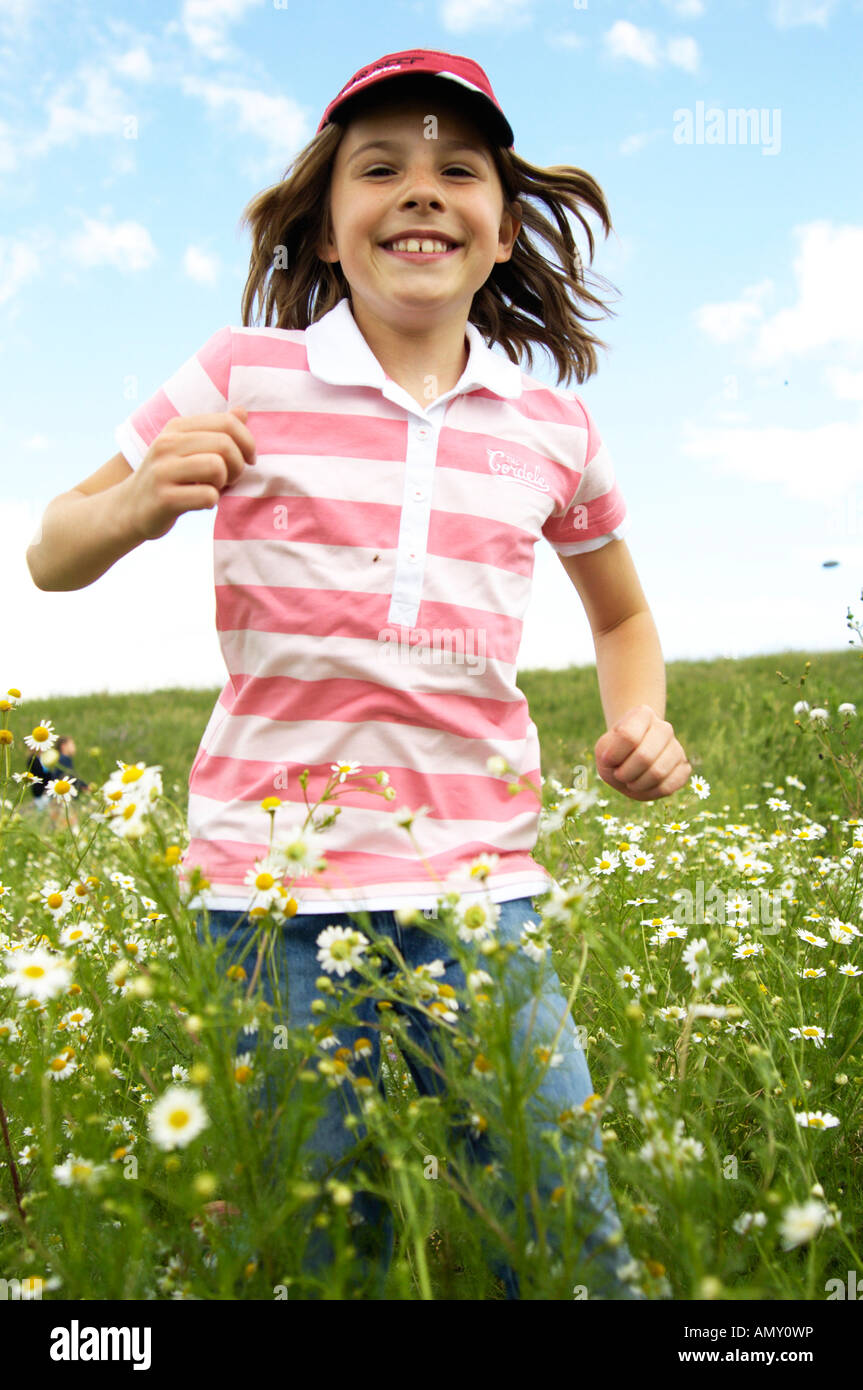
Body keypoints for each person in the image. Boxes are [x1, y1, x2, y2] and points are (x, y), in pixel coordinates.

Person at [26, 48, 692, 1298]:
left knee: (560, 1238)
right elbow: (50, 552)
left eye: (456, 172)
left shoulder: (552, 428)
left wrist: (639, 719)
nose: (420, 191)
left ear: (501, 233)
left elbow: (623, 618)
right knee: (327, 1244)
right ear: (328, 232)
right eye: (379, 168)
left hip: (482, 893)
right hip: (265, 898)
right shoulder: (240, 374)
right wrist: (137, 508)